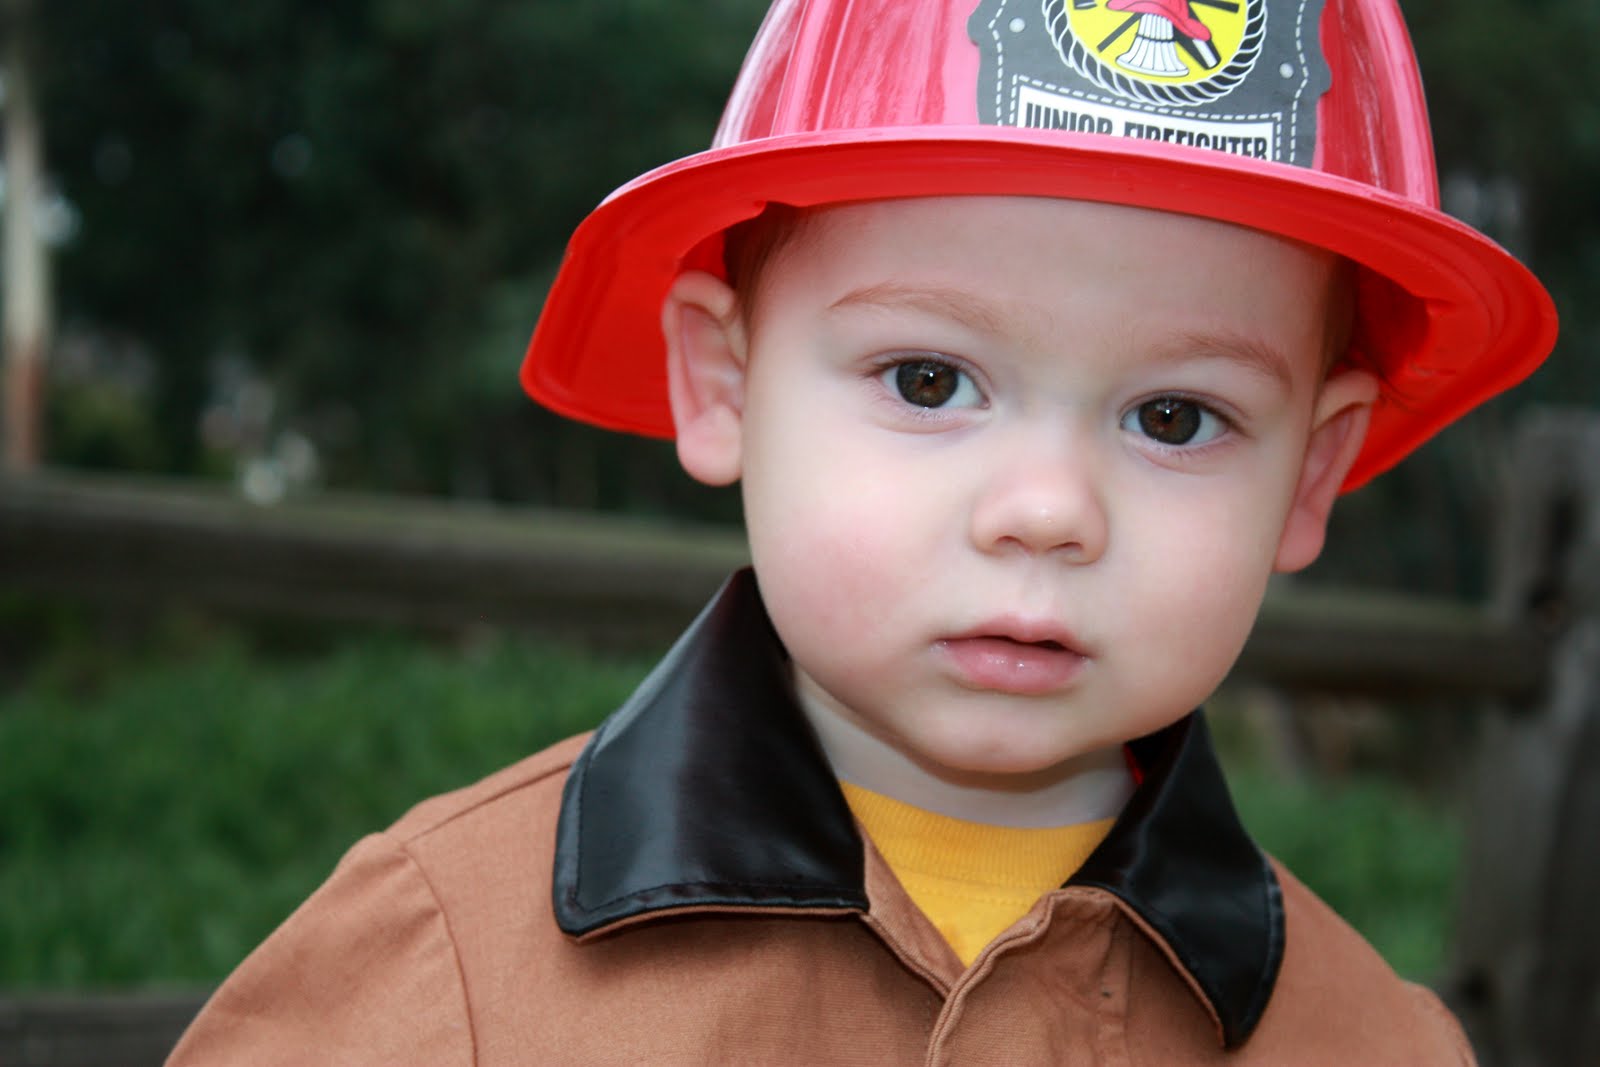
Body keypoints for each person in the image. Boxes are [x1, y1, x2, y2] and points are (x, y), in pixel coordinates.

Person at [167, 0, 1556, 1063]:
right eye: (930, 382)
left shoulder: (1369, 1044)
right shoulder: (440, 976)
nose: (1047, 511)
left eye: (1176, 417)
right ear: (724, 383)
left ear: (1312, 474)